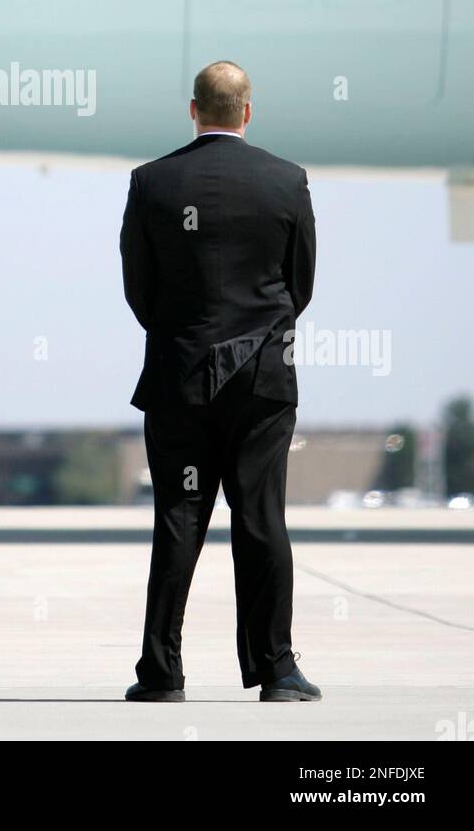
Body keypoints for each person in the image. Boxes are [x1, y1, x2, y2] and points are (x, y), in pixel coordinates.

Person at [120, 62, 320, 703]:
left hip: (179, 377)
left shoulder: (151, 182)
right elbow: (301, 284)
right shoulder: (286, 181)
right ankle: (277, 671)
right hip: (261, 380)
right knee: (262, 521)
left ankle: (160, 674)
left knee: (178, 520)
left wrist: (184, 335)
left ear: (193, 110)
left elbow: (138, 288)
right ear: (248, 111)